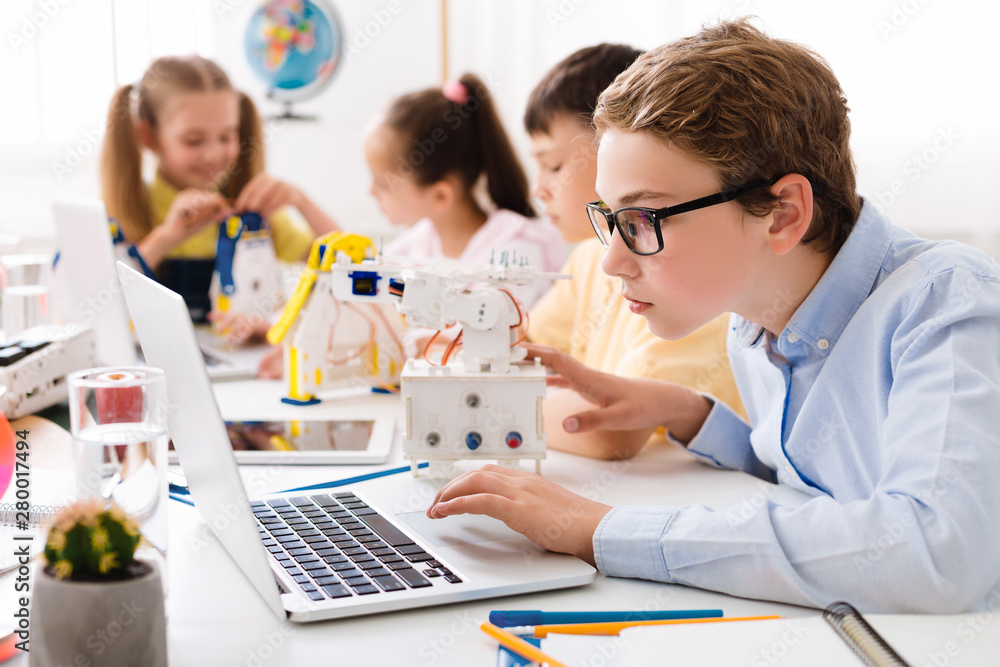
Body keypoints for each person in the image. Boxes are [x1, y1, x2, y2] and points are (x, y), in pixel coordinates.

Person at [426, 19, 1000, 613]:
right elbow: (824, 479)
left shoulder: (946, 303)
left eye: (644, 219)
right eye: (609, 217)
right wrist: (689, 414)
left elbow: (936, 551)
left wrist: (598, 527)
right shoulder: (755, 315)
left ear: (781, 215)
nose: (612, 261)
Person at [524, 43, 744, 460]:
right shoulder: (593, 255)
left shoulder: (687, 274)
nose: (536, 188)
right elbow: (528, 345)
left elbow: (612, 429)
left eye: (553, 165)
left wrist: (474, 407)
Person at [100, 55, 339, 328]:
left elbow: (350, 265)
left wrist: (301, 201)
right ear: (148, 136)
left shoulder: (253, 212)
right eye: (194, 140)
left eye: (226, 137)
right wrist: (166, 237)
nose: (213, 154)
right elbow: (95, 306)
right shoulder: (114, 212)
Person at [365, 73, 566, 311]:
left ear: (440, 196)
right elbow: (361, 272)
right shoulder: (422, 239)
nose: (371, 192)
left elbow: (494, 334)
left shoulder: (516, 250)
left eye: (382, 183)